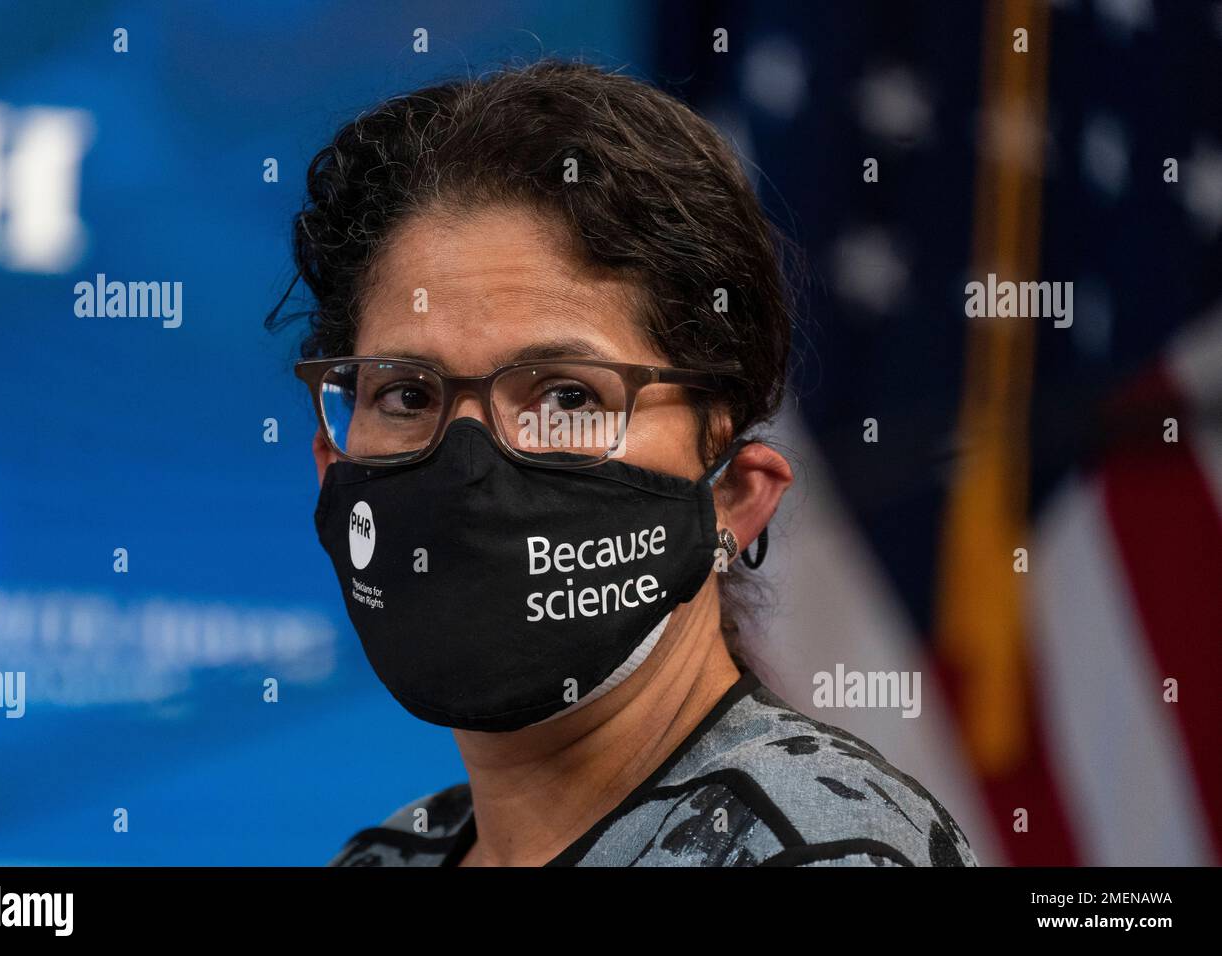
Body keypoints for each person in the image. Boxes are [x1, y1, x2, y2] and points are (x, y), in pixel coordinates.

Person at [268, 59, 978, 867]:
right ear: (331, 470)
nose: (467, 466)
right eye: (404, 394)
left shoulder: (824, 854)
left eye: (567, 397)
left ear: (735, 498)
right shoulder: (391, 856)